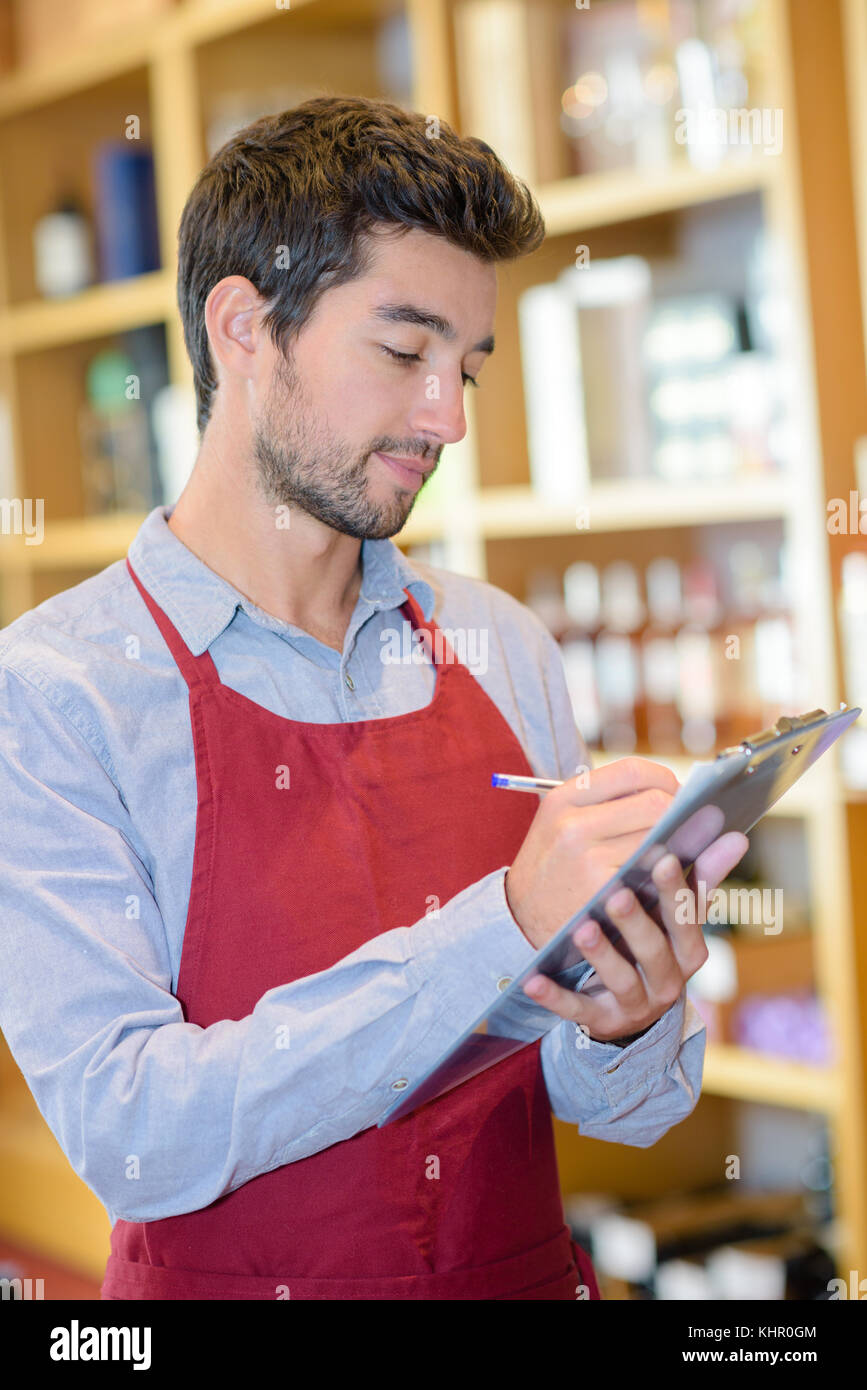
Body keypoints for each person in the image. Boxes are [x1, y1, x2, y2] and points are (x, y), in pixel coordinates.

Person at [0, 96, 748, 1301]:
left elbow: (615, 1112)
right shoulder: (55, 694)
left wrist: (629, 1016)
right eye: (404, 353)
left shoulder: (503, 647)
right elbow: (132, 1129)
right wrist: (500, 924)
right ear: (244, 327)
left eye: (466, 367)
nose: (446, 416)